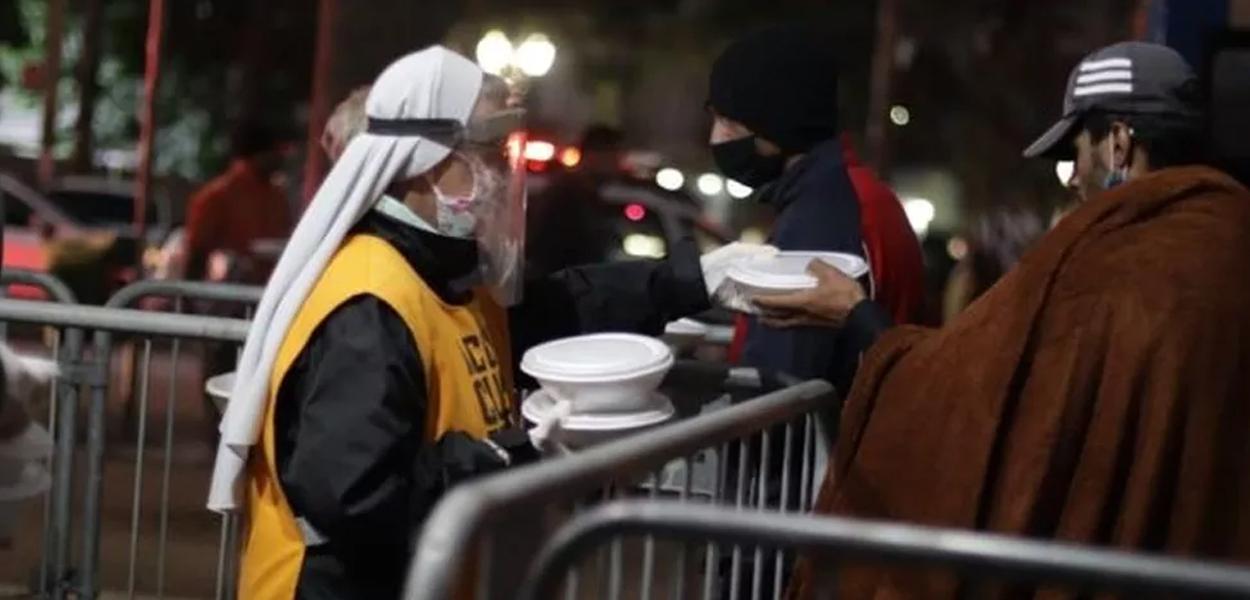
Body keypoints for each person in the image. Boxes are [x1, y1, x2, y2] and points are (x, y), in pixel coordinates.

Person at [208, 47, 720, 600]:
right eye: (490, 154)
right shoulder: (369, 302)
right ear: (425, 162)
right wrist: (507, 457)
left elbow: (563, 304)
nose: (503, 175)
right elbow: (353, 492)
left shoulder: (447, 273)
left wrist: (695, 279)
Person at [752, 42, 1250, 598]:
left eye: (1073, 155)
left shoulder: (1107, 257)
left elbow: (971, 389)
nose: (1070, 180)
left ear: (1118, 143)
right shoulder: (1233, 236)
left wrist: (857, 315)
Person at [707, 24, 926, 393]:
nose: (715, 137)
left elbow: (779, 390)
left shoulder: (820, 219)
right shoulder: (854, 193)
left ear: (776, 122)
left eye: (728, 121)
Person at [184, 118, 294, 285]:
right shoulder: (216, 196)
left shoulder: (277, 195)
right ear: (262, 153)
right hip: (228, 292)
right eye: (278, 151)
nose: (282, 158)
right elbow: (196, 254)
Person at [524, 124, 623, 276]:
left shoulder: (590, 198)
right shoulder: (565, 197)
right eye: (612, 156)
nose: (616, 165)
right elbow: (549, 256)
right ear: (592, 156)